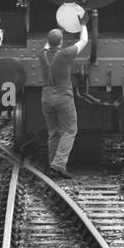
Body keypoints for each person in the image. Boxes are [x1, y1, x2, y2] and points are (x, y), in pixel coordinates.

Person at [37, 15, 89, 179]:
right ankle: (59, 163)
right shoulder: (66, 54)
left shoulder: (42, 54)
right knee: (70, 129)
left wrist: (59, 25)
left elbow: (48, 44)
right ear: (61, 42)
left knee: (53, 132)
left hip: (46, 97)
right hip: (62, 96)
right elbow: (84, 41)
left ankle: (52, 163)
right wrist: (83, 25)